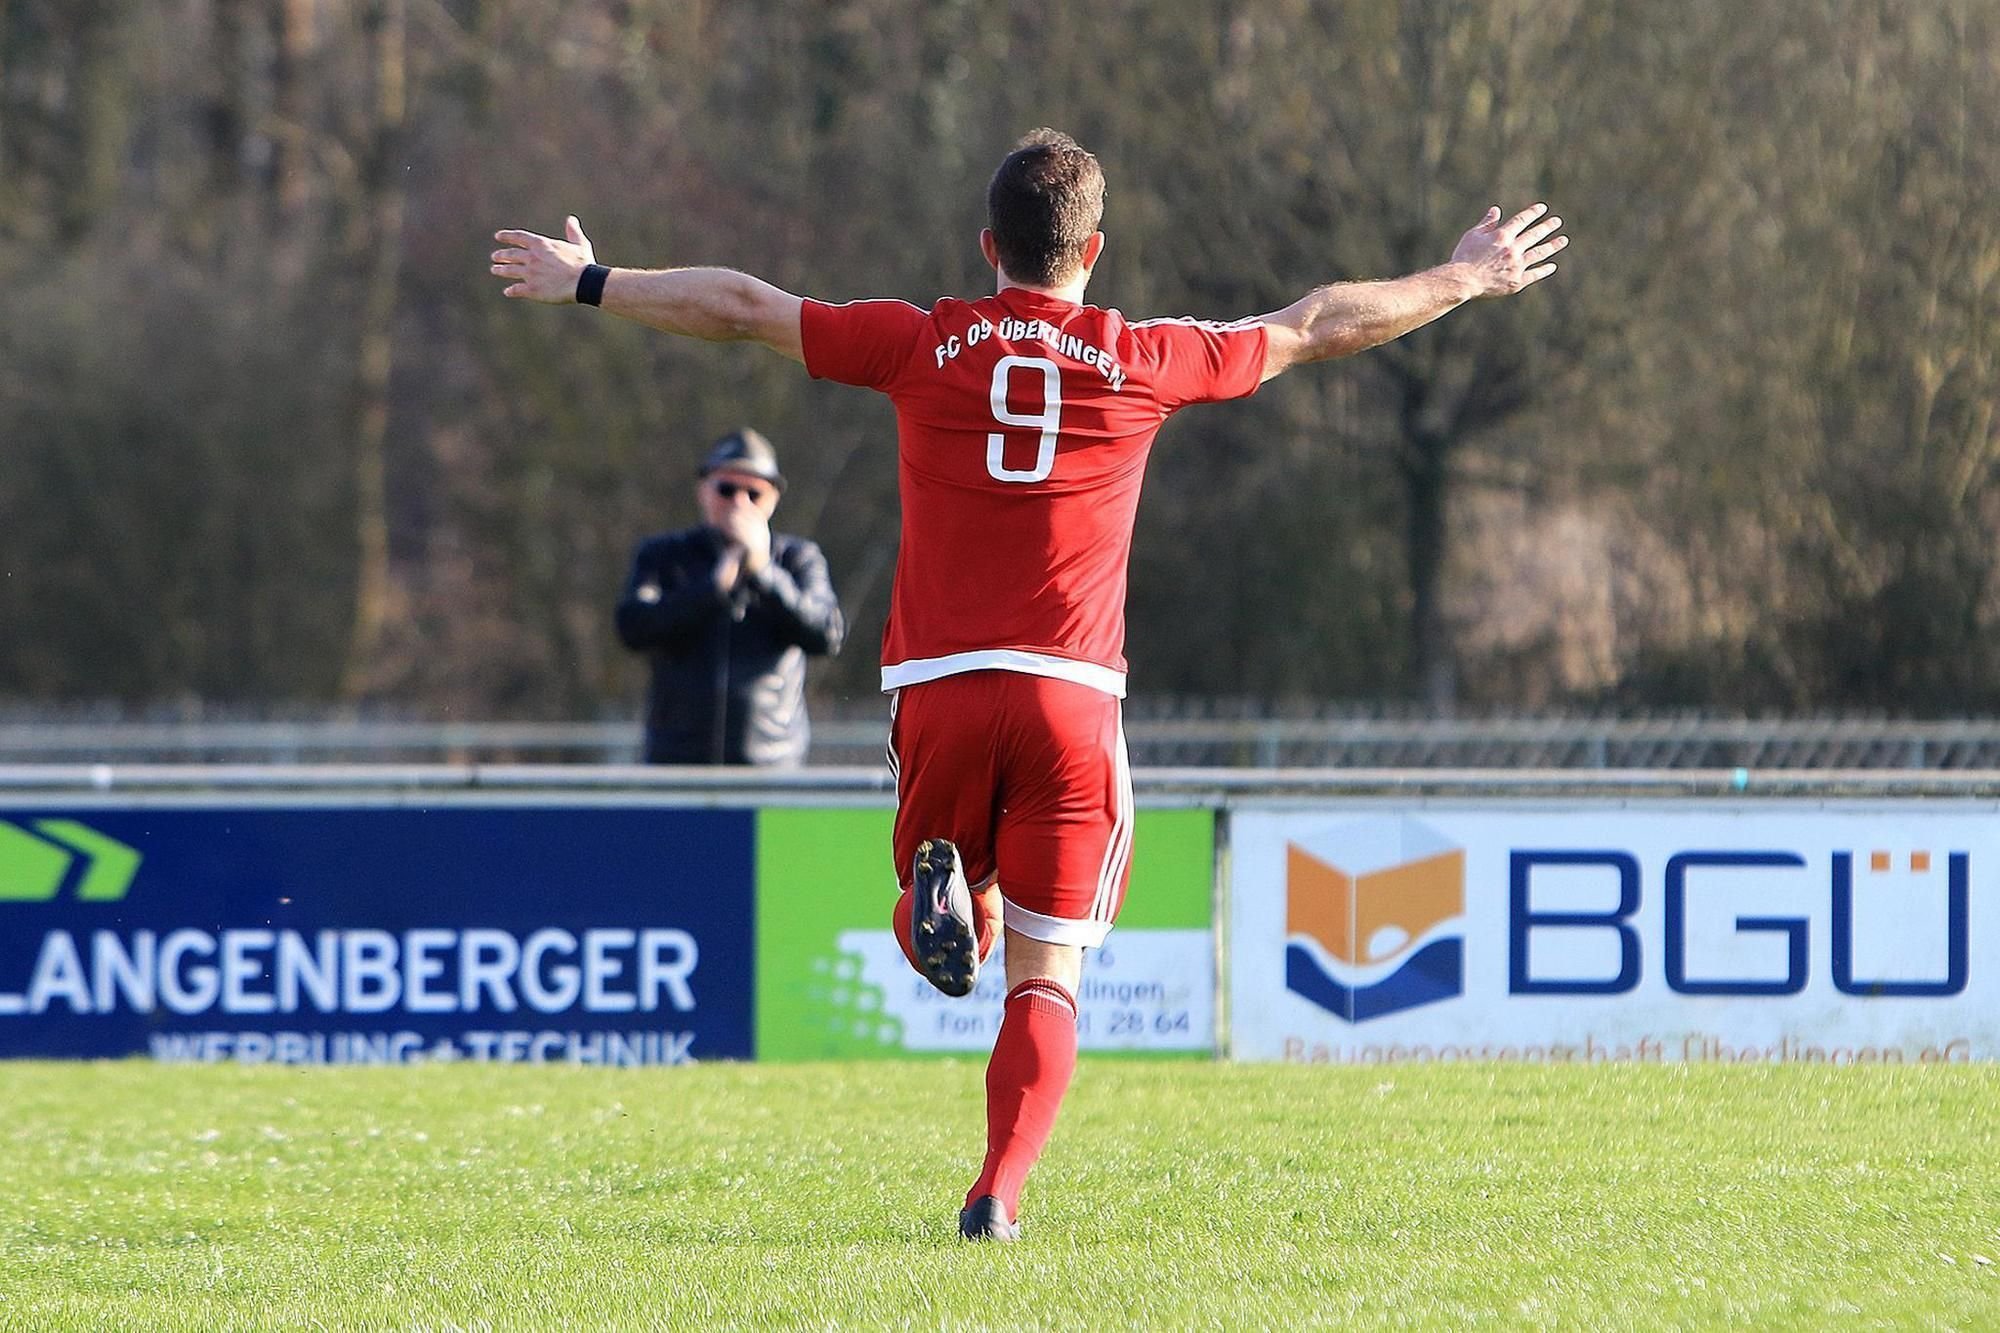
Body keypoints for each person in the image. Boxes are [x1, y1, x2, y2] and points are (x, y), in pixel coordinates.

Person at [493, 129, 1566, 1239]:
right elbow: (1313, 323)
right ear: (1091, 249)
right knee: (1045, 978)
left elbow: (742, 305)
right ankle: (994, 1193)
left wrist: (590, 282)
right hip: (1067, 696)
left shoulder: (921, 343)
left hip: (939, 687)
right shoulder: (1146, 355)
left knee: (933, 921)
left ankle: (943, 898)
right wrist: (1466, 275)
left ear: (984, 244)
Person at [614, 427, 845, 765]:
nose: (739, 503)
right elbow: (633, 627)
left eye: (754, 494)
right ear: (703, 491)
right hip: (676, 767)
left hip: (771, 766)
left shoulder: (797, 559)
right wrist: (711, 590)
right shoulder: (664, 556)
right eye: (726, 489)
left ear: (774, 498)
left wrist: (764, 574)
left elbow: (826, 634)